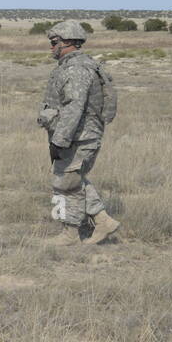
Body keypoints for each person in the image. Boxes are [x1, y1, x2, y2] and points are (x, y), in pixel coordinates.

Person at [36, 20, 120, 245]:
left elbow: (74, 106)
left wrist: (60, 140)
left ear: (69, 43)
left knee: (65, 182)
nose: (51, 47)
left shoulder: (76, 69)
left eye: (54, 43)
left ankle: (70, 234)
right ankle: (103, 221)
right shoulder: (79, 65)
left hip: (79, 137)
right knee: (75, 180)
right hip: (79, 135)